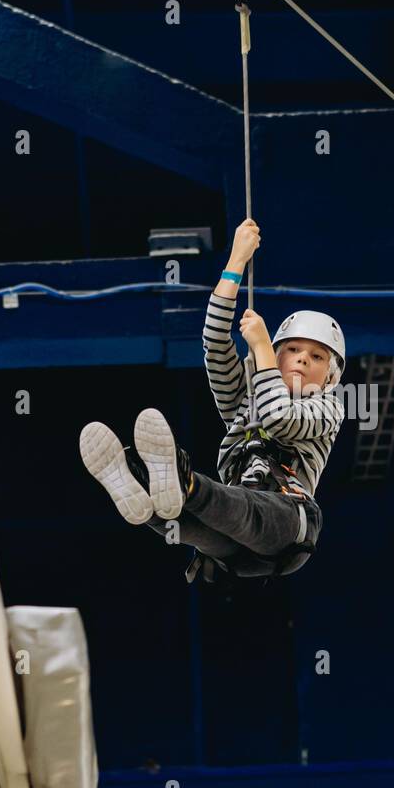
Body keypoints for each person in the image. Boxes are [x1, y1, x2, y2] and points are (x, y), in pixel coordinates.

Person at [78, 218, 346, 582]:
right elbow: (216, 344)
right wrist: (236, 261)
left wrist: (263, 348)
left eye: (317, 357)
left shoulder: (329, 407)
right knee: (192, 525)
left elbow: (279, 418)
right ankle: (142, 489)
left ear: (330, 377)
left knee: (231, 504)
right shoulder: (243, 401)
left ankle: (182, 480)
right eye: (293, 349)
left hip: (287, 522)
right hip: (233, 542)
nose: (302, 359)